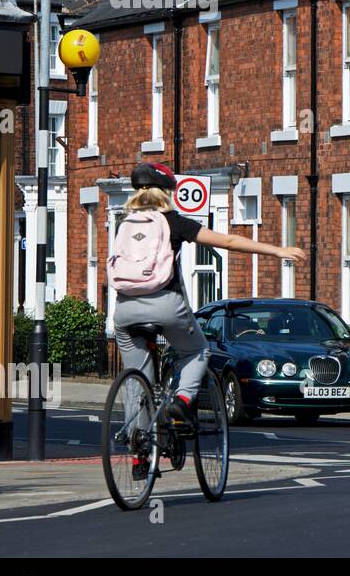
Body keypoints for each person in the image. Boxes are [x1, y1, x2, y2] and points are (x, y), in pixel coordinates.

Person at [112, 163, 305, 431]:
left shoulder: (124, 225)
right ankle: (181, 399)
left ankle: (139, 446)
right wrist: (277, 251)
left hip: (124, 308)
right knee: (198, 350)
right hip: (165, 304)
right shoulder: (175, 223)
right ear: (167, 193)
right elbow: (228, 242)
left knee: (136, 380)